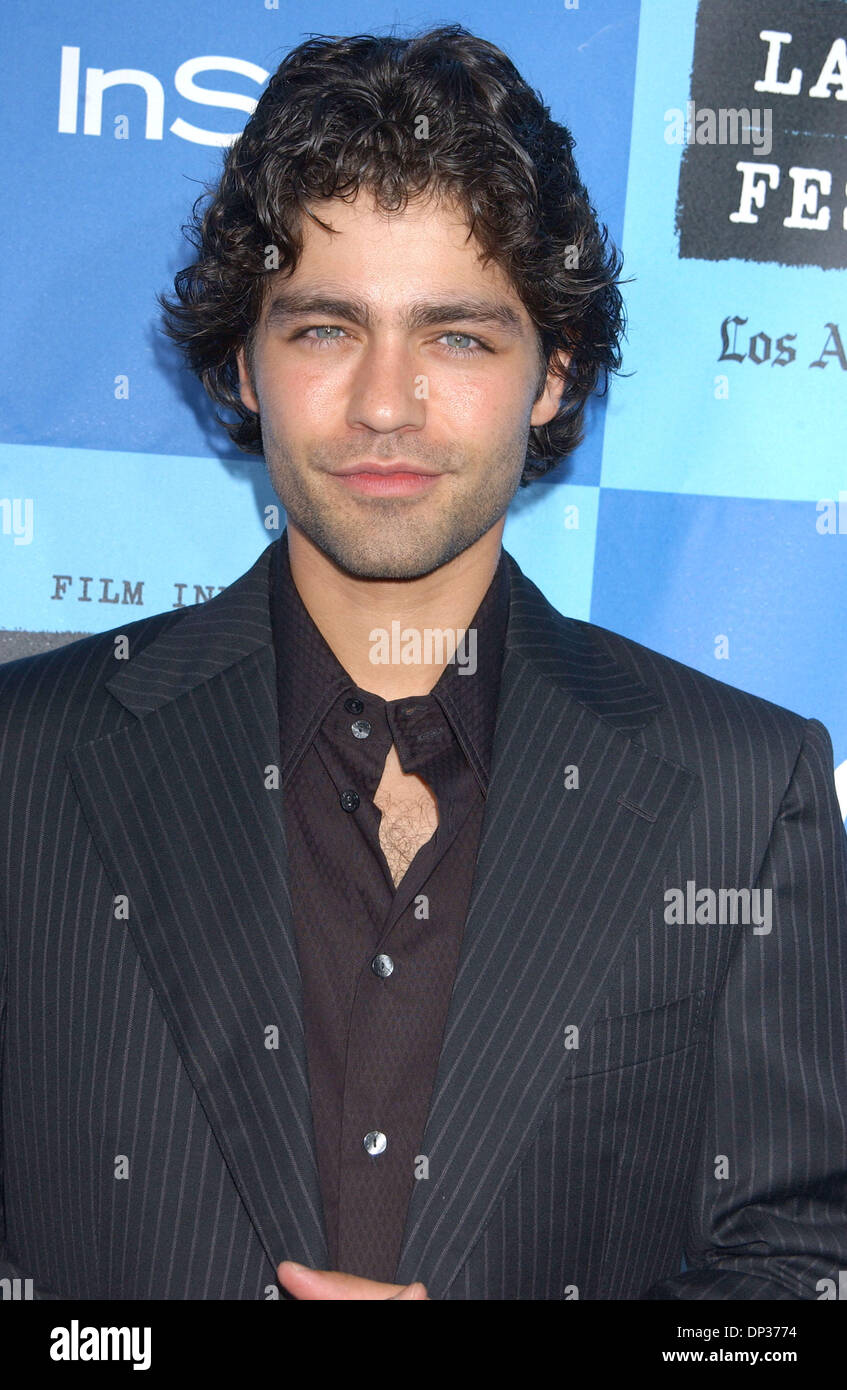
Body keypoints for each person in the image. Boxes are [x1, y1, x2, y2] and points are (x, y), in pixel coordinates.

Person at [1, 25, 845, 1303]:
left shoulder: (744, 786)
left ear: (552, 375)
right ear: (243, 359)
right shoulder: (24, 763)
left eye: (456, 337)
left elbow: (798, 1276)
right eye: (326, 329)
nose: (385, 403)